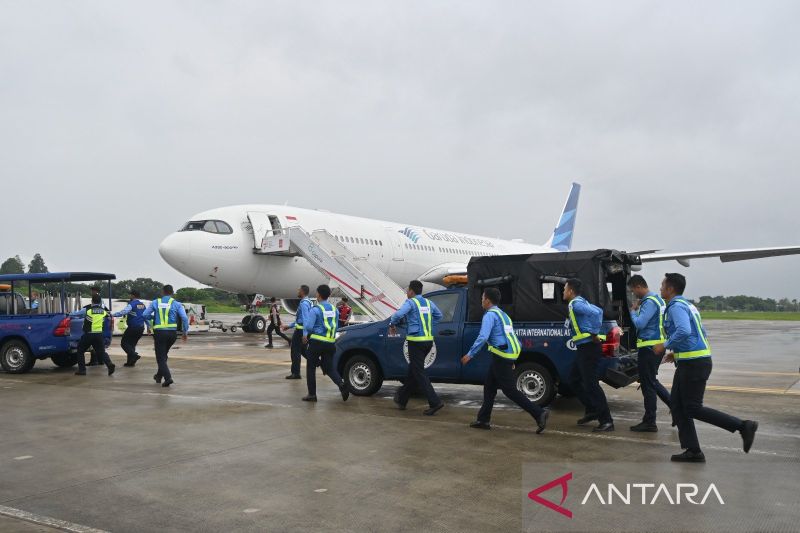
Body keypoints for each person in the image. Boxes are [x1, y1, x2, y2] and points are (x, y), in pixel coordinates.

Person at [654, 273, 758, 463]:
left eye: (662, 286)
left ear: (670, 289)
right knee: (677, 405)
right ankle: (693, 450)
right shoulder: (688, 305)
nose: (660, 289)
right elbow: (699, 333)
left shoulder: (676, 307)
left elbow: (684, 331)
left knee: (692, 407)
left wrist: (666, 344)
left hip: (694, 364)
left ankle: (743, 426)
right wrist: (676, 353)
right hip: (689, 362)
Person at [461, 288, 549, 433]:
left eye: (483, 298)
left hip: (501, 357)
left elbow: (483, 337)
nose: (481, 301)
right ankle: (483, 419)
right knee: (489, 386)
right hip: (506, 355)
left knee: (510, 390)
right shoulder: (503, 315)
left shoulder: (489, 315)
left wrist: (470, 354)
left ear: (488, 300)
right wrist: (512, 358)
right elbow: (511, 338)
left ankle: (539, 413)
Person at [564, 278, 614, 432]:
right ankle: (592, 410)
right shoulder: (581, 301)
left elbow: (597, 313)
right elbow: (596, 310)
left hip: (589, 348)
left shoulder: (576, 304)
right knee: (574, 379)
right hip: (584, 348)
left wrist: (594, 331)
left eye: (565, 289)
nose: (563, 292)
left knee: (591, 384)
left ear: (571, 291)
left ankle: (606, 421)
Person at [389, 280, 444, 416]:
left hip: (416, 342)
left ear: (412, 291)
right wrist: (428, 325)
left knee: (418, 372)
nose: (407, 293)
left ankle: (435, 401)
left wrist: (392, 324)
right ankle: (402, 399)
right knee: (413, 371)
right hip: (428, 342)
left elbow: (398, 315)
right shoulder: (429, 303)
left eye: (407, 291)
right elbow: (439, 316)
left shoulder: (411, 302)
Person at [627, 275, 672, 431]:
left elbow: (640, 323)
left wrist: (633, 311)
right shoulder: (658, 300)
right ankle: (674, 406)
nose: (633, 294)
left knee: (648, 386)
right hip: (655, 346)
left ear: (639, 286)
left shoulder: (649, 302)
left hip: (649, 348)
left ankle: (650, 421)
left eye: (633, 290)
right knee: (651, 381)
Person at [301, 284, 349, 402]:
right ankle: (342, 385)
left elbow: (308, 326)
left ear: (318, 294)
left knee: (311, 368)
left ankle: (312, 394)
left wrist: (306, 335)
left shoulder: (316, 309)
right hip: (330, 343)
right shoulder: (334, 309)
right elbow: (336, 326)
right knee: (329, 368)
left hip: (317, 342)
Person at [143, 285, 189, 387]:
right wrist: (185, 332)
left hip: (160, 333)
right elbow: (185, 318)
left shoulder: (155, 302)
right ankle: (159, 375)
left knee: (160, 357)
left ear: (162, 292)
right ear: (172, 293)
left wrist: (150, 323)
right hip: (172, 334)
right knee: (163, 355)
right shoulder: (177, 304)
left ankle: (168, 378)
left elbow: (144, 315)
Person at [70, 294, 115, 376]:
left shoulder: (87, 310)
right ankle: (109, 364)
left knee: (80, 350)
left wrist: (67, 314)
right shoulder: (103, 311)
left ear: (92, 301)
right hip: (99, 334)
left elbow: (74, 314)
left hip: (89, 334)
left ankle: (82, 370)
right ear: (100, 302)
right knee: (101, 352)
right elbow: (108, 316)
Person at [281, 285, 313, 379]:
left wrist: (305, 334)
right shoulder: (309, 302)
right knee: (303, 350)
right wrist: (289, 326)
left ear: (302, 292)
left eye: (299, 290)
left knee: (295, 351)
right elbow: (300, 320)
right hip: (302, 329)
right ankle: (318, 362)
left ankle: (296, 373)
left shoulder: (303, 304)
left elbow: (305, 320)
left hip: (301, 331)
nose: (297, 291)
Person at [113, 289, 148, 367]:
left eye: (130, 295)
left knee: (124, 343)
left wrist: (113, 315)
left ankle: (134, 355)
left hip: (133, 327)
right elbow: (145, 316)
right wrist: (148, 326)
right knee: (132, 345)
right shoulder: (142, 305)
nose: (130, 296)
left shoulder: (132, 304)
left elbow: (124, 312)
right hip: (141, 328)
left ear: (133, 295)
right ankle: (130, 362)